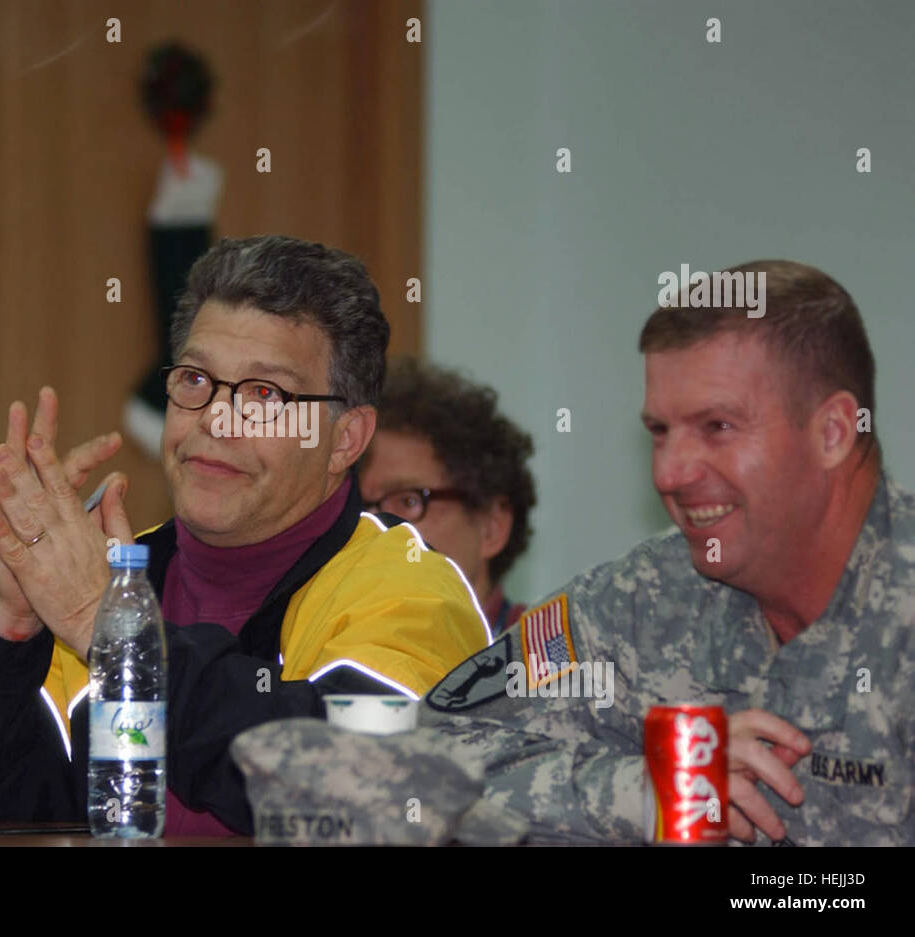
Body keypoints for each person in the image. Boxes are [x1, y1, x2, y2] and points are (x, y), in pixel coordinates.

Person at [232, 259, 915, 846]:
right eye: (659, 431)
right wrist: (649, 789)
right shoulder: (650, 598)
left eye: (717, 427)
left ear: (831, 432)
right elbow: (429, 748)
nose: (671, 472)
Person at [0, 235, 492, 835]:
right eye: (195, 380)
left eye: (264, 393)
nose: (216, 420)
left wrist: (105, 625)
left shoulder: (413, 591)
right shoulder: (115, 574)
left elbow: (365, 789)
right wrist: (4, 624)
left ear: (345, 440)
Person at [359, 357, 535, 631]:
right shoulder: (323, 655)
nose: (371, 525)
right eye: (358, 506)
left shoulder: (545, 663)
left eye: (408, 501)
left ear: (492, 527)